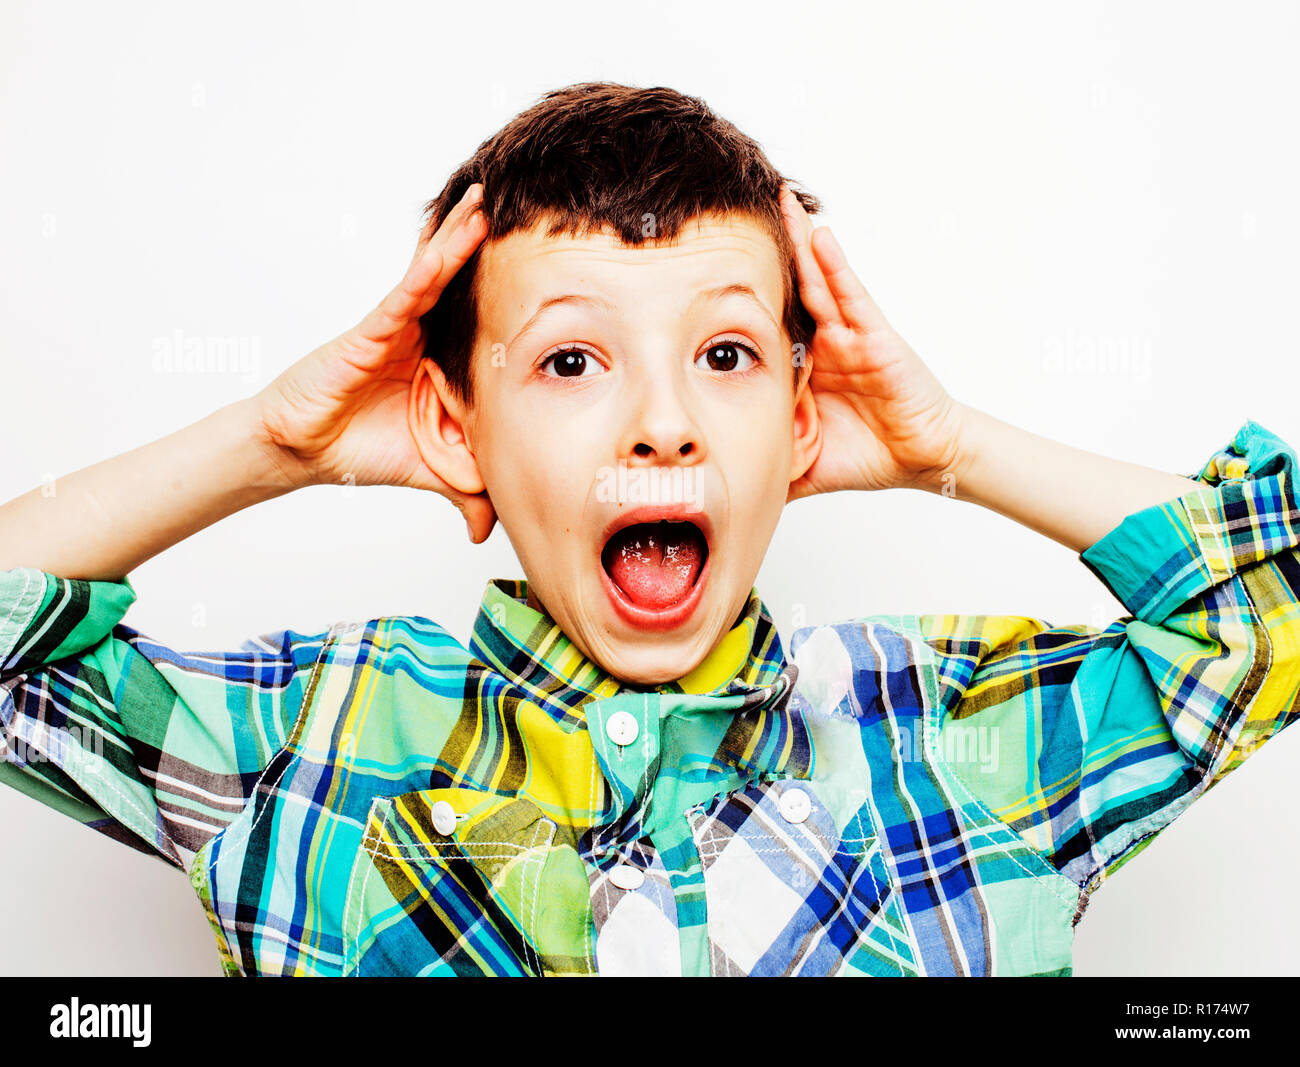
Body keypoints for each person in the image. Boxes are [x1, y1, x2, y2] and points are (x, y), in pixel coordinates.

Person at [1, 82, 1296, 977]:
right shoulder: (316, 731)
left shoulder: (947, 743)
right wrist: (270, 445)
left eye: (726, 352)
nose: (664, 423)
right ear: (457, 430)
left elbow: (1270, 612)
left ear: (799, 419)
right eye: (572, 364)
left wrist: (950, 450)